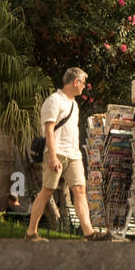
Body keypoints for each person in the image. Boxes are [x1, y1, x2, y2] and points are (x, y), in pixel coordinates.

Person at [25, 67, 110, 241]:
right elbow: (48, 130)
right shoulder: (54, 101)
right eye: (83, 83)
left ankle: (89, 232)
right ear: (76, 82)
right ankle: (31, 233)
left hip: (74, 154)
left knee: (79, 190)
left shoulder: (74, 104)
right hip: (57, 153)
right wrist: (53, 156)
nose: (84, 87)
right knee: (47, 191)